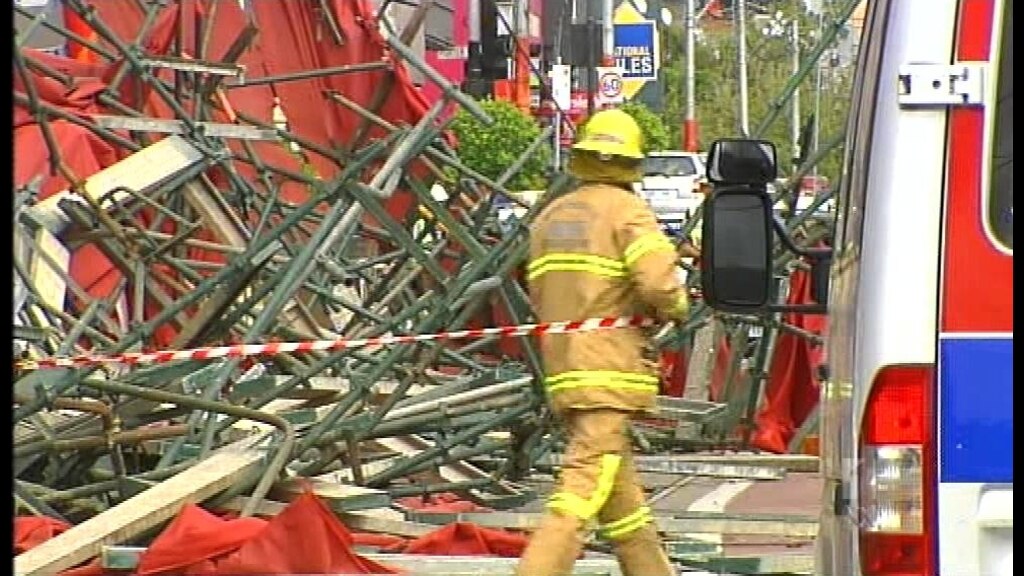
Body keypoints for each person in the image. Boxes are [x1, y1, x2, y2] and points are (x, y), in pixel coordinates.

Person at [516, 108, 690, 576]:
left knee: (623, 503)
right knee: (582, 487)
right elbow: (659, 285)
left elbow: (537, 289)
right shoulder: (627, 211)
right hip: (609, 368)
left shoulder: (550, 216)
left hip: (564, 367)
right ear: (632, 163)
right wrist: (677, 306)